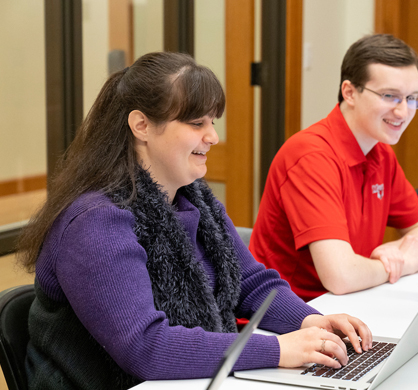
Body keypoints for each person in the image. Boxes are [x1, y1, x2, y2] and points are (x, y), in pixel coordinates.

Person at [17, 52, 373, 390]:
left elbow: (251, 282)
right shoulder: (96, 223)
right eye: (196, 123)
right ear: (141, 125)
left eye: (212, 122)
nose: (213, 136)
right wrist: (279, 351)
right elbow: (145, 347)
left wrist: (310, 322)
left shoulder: (193, 198)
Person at [249, 34, 418, 302]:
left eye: (411, 98)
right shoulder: (311, 156)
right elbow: (341, 276)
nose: (403, 112)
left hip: (350, 303)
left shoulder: (381, 153)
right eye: (390, 96)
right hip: (291, 319)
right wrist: (399, 262)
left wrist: (391, 255)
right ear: (350, 92)